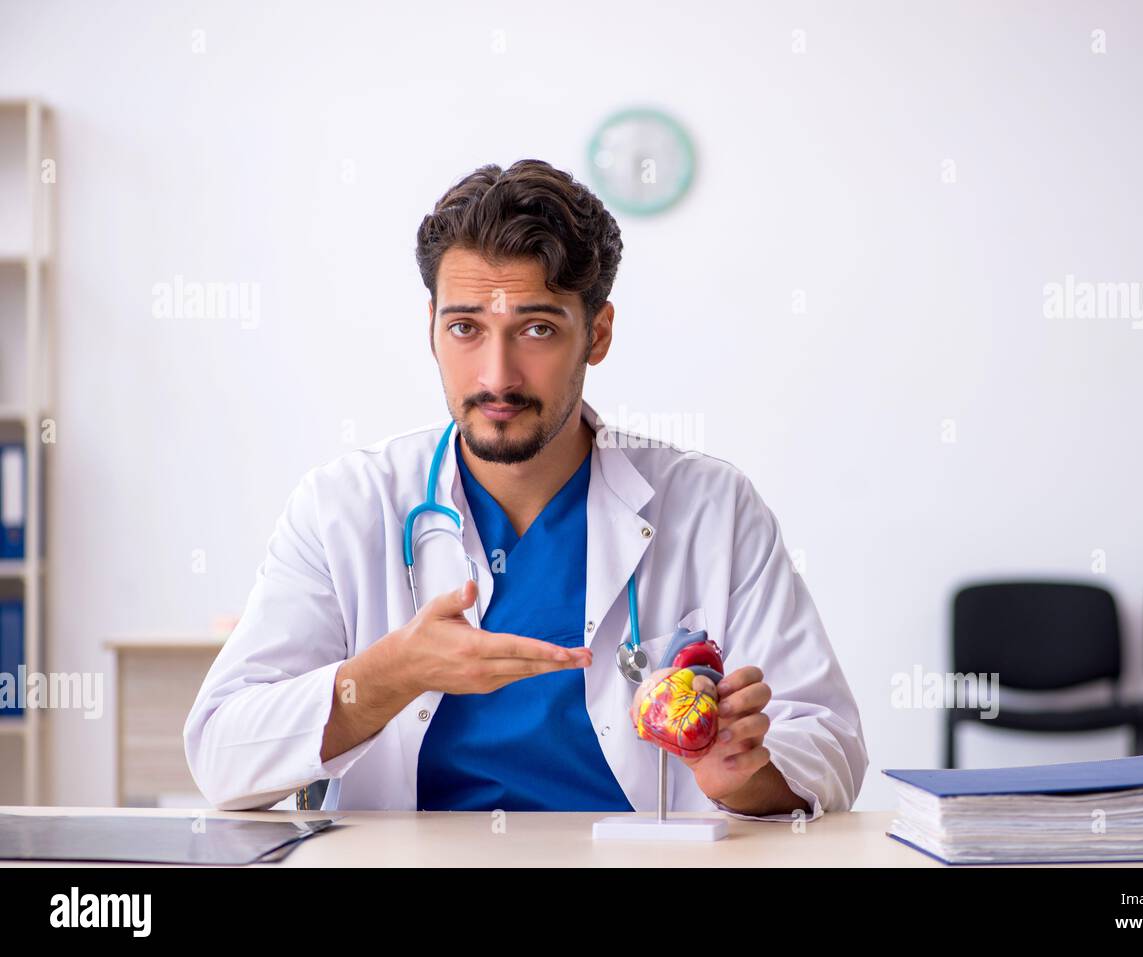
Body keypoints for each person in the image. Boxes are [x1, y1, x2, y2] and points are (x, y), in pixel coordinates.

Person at [184, 158, 867, 820]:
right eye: (465, 328)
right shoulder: (346, 505)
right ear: (431, 329)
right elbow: (221, 753)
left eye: (536, 329)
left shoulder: (711, 506)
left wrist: (745, 775)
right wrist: (391, 672)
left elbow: (828, 738)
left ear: (596, 334)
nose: (497, 375)